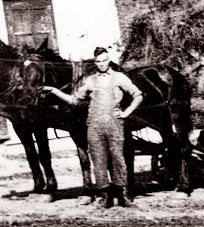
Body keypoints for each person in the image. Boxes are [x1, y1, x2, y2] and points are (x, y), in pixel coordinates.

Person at [42, 47, 143, 208]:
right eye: (98, 61)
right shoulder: (90, 81)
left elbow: (138, 95)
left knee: (118, 158)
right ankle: (105, 196)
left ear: (108, 60)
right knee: (98, 160)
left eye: (104, 60)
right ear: (95, 63)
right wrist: (54, 91)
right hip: (94, 125)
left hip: (114, 123)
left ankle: (123, 195)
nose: (102, 64)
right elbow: (75, 100)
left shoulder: (119, 77)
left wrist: (126, 113)